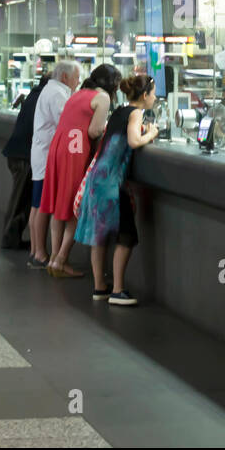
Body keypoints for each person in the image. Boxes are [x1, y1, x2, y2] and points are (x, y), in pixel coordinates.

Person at [74, 73, 159, 305]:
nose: (154, 97)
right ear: (144, 95)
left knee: (99, 236)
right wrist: (150, 133)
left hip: (97, 180)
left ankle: (100, 287)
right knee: (127, 236)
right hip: (112, 183)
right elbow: (133, 141)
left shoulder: (119, 111)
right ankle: (118, 290)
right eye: (153, 93)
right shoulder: (135, 113)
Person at [41, 63, 120, 278]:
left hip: (58, 148)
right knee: (76, 206)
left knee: (60, 206)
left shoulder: (78, 93)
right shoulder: (103, 98)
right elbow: (94, 130)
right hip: (75, 152)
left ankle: (54, 257)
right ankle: (61, 260)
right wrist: (108, 127)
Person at [28, 61, 80, 269]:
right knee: (42, 206)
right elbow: (67, 122)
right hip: (46, 155)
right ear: (65, 77)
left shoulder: (51, 90)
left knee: (36, 205)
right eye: (76, 78)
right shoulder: (58, 93)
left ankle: (35, 250)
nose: (77, 82)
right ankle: (40, 252)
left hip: (42, 153)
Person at [1, 74, 49, 248]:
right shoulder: (44, 99)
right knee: (21, 199)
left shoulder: (33, 95)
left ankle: (12, 237)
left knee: (20, 198)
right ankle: (10, 238)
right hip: (24, 156)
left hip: (18, 153)